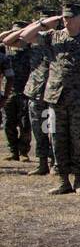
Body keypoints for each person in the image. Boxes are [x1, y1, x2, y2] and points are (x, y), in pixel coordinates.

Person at [17, 6, 80, 195]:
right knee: (56, 138)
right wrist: (43, 23)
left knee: (79, 139)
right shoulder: (52, 37)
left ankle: (79, 181)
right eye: (64, 17)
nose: (66, 20)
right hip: (56, 98)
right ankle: (62, 180)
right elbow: (24, 37)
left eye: (71, 17)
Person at [3, 18, 34, 161]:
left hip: (26, 91)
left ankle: (23, 152)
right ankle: (12, 151)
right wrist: (14, 31)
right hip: (9, 91)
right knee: (9, 122)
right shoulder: (5, 48)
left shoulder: (31, 48)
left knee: (25, 124)